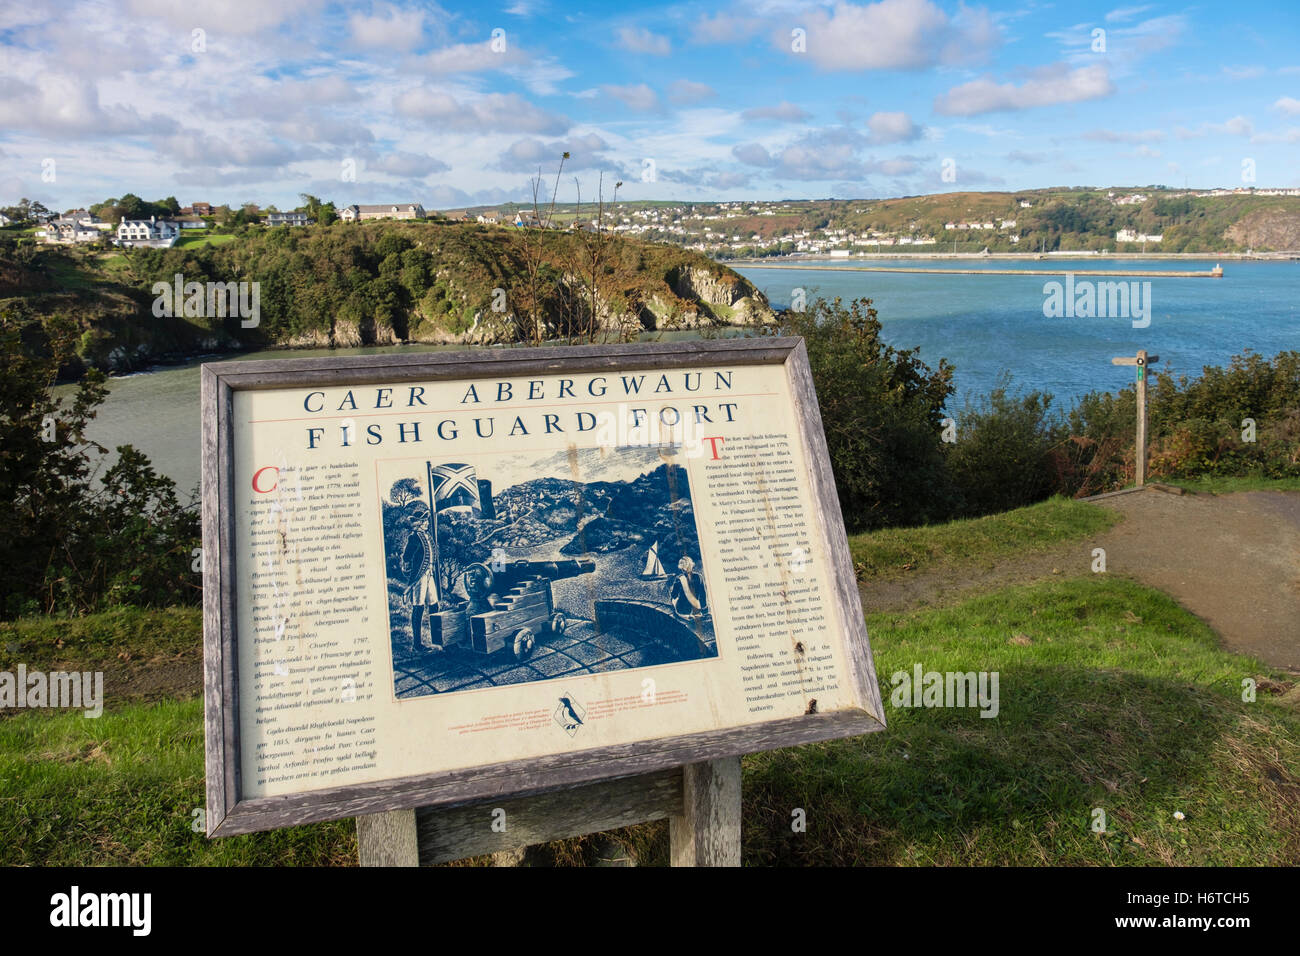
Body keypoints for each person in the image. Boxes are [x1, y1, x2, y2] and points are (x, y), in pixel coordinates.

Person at [401, 501, 439, 652]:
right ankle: (417, 644)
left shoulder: (427, 537)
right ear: (420, 523)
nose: (427, 523)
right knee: (418, 607)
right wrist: (407, 567)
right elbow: (406, 557)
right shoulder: (414, 538)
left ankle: (438, 638)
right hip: (419, 576)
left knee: (434, 604)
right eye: (425, 521)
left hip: (429, 574)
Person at [669, 555, 709, 625]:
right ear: (691, 565)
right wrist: (704, 610)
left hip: (682, 610)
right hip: (696, 609)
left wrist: (671, 590)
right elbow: (703, 595)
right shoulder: (699, 577)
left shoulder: (679, 579)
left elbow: (674, 595)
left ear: (682, 568)